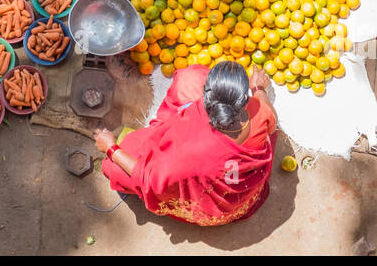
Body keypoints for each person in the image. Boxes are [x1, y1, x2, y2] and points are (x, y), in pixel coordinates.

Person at [95, 60, 278, 226]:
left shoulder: (190, 152)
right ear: (244, 101)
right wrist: (258, 88)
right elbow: (271, 117)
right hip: (242, 194)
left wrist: (111, 148)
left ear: (208, 98)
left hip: (214, 207)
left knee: (115, 167)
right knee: (190, 78)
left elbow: (149, 179)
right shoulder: (259, 112)